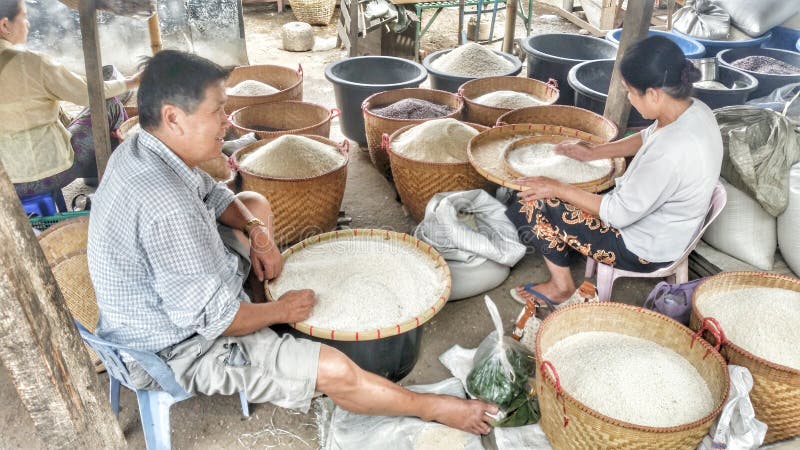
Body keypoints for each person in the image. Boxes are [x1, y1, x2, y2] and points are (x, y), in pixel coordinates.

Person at [86, 49, 497, 435]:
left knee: (254, 203)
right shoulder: (166, 205)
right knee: (335, 369)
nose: (227, 122)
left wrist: (258, 234)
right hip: (174, 350)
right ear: (174, 117)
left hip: (172, 302)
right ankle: (436, 408)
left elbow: (216, 197)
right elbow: (217, 322)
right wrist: (282, 308)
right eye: (217, 111)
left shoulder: (145, 147)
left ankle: (264, 307)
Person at [507, 36, 722, 310]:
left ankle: (560, 286)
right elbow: (648, 136)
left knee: (530, 200)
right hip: (668, 228)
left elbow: (617, 213)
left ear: (654, 93)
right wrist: (595, 152)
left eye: (630, 91)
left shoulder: (671, 152)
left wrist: (556, 187)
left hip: (641, 249)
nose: (629, 99)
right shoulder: (695, 110)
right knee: (568, 191)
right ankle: (567, 246)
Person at [0, 0, 139, 208]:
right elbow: (91, 93)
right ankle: (115, 185)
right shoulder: (31, 63)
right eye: (24, 16)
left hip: (5, 179)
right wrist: (133, 80)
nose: (28, 23)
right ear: (4, 25)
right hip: (41, 174)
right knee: (109, 104)